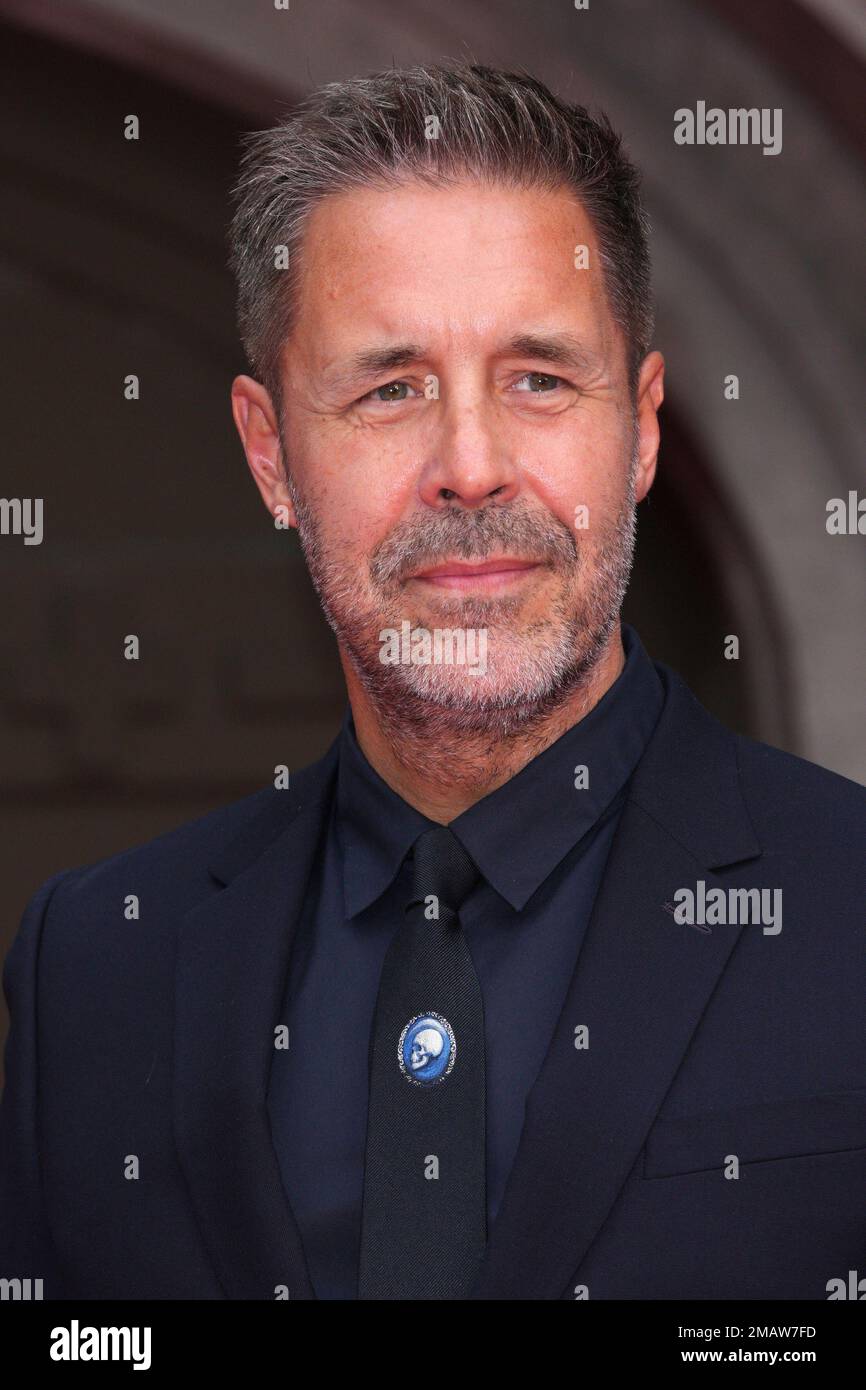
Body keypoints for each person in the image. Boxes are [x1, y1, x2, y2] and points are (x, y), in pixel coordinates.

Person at [1, 64, 864, 1302]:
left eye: (540, 379)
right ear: (269, 453)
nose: (469, 467)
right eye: (390, 387)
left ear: (645, 426)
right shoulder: (96, 966)